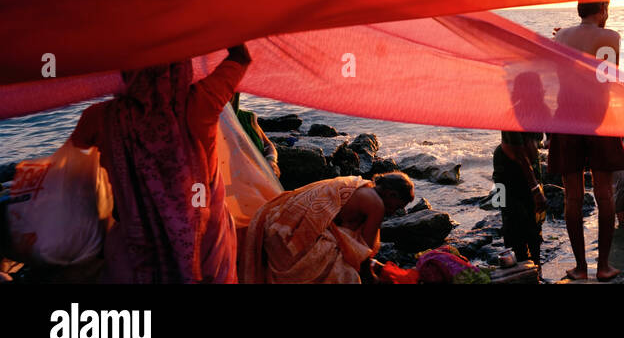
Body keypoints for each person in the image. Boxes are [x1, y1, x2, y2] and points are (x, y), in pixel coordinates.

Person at [69, 44, 251, 283]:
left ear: (126, 72)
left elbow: (78, 148)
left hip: (135, 243)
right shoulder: (201, 102)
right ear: (181, 64)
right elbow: (241, 57)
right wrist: (212, 20)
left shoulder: (101, 118)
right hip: (205, 240)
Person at [550, 0, 624, 281]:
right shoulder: (611, 37)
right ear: (603, 10)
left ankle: (580, 268)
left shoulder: (560, 36)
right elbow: (609, 78)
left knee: (572, 196)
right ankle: (603, 267)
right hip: (598, 119)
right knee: (604, 194)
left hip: (565, 118)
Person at [240, 172, 414, 283]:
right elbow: (363, 251)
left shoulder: (359, 185)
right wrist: (372, 278)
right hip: (292, 246)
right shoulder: (376, 205)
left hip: (280, 229)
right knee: (347, 276)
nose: (398, 211)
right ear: (391, 194)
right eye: (399, 206)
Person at [493, 130, 547, 266]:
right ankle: (520, 266)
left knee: (534, 220)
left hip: (532, 163)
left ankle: (536, 267)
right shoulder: (511, 117)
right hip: (505, 168)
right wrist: (535, 189)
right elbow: (519, 155)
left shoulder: (538, 111)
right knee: (513, 219)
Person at [230, 92, 279, 177]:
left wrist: (271, 159)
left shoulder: (248, 118)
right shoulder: (207, 124)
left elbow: (268, 145)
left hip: (260, 181)